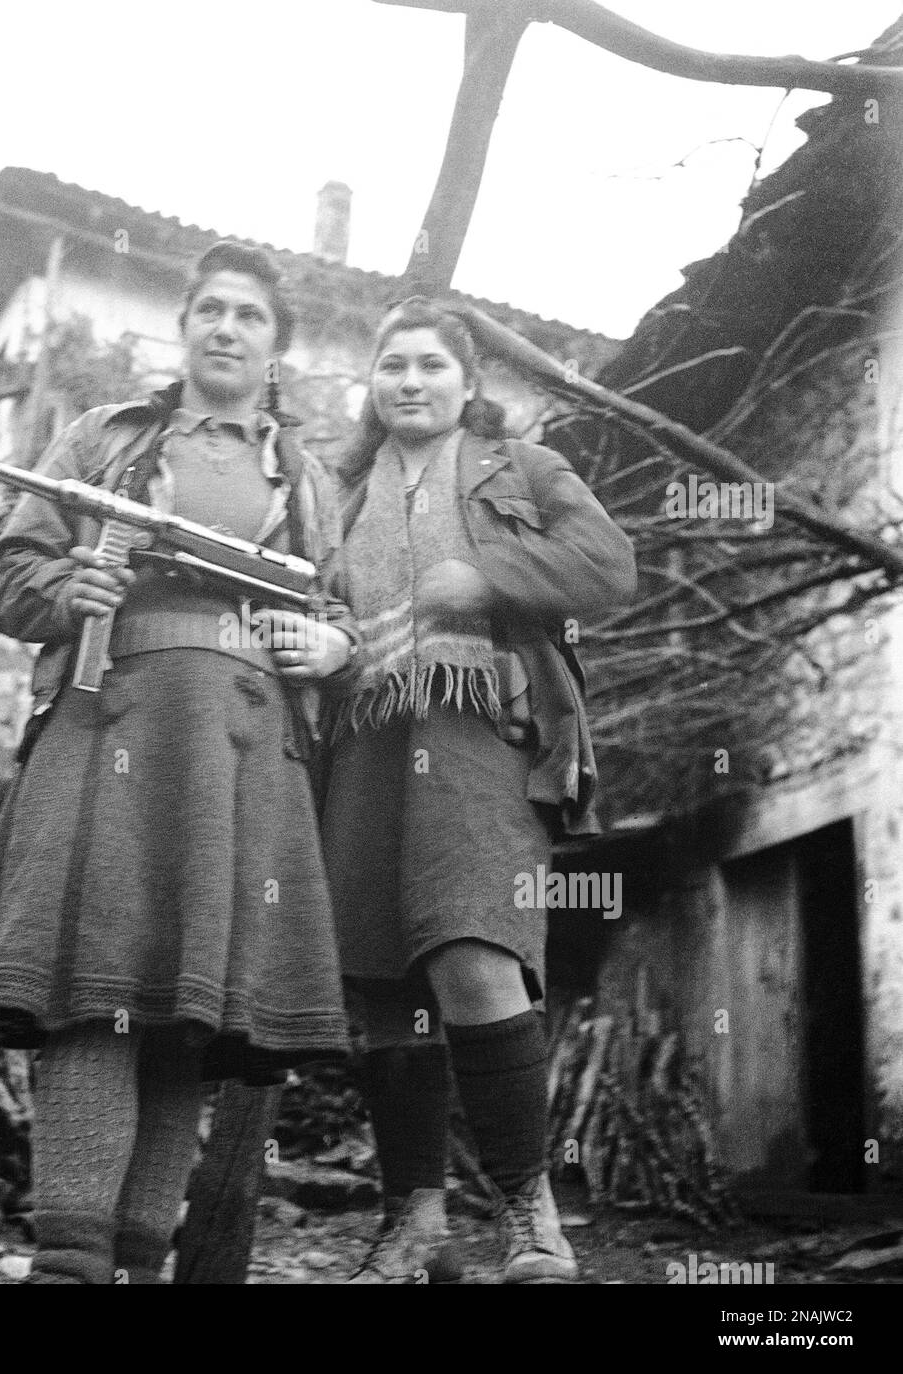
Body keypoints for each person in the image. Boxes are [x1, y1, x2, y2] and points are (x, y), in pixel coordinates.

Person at [0, 241, 358, 1284]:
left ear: (274, 349)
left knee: (188, 1013)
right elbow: (11, 572)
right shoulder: (106, 441)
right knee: (94, 985)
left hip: (247, 751)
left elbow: (339, 608)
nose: (224, 327)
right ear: (183, 327)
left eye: (248, 316)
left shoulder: (303, 481)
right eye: (208, 309)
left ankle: (135, 1262)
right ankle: (68, 1265)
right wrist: (68, 586)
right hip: (107, 723)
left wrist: (332, 645)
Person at [321, 296, 636, 1283]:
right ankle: (412, 1218)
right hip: (362, 734)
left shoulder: (523, 468)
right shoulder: (332, 485)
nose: (410, 381)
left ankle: (528, 1216)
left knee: (475, 953)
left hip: (483, 728)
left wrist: (486, 574)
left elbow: (606, 565)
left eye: (431, 366)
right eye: (393, 367)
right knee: (377, 984)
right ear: (372, 385)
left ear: (467, 383)